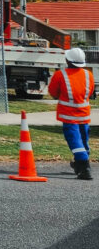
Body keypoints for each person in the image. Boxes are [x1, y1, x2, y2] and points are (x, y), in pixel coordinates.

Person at [47, 47, 95, 180]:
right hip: (84, 114)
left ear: (68, 60)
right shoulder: (88, 74)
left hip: (69, 116)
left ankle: (84, 166)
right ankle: (80, 163)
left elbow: (53, 92)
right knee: (83, 140)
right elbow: (90, 92)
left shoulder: (60, 74)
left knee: (74, 141)